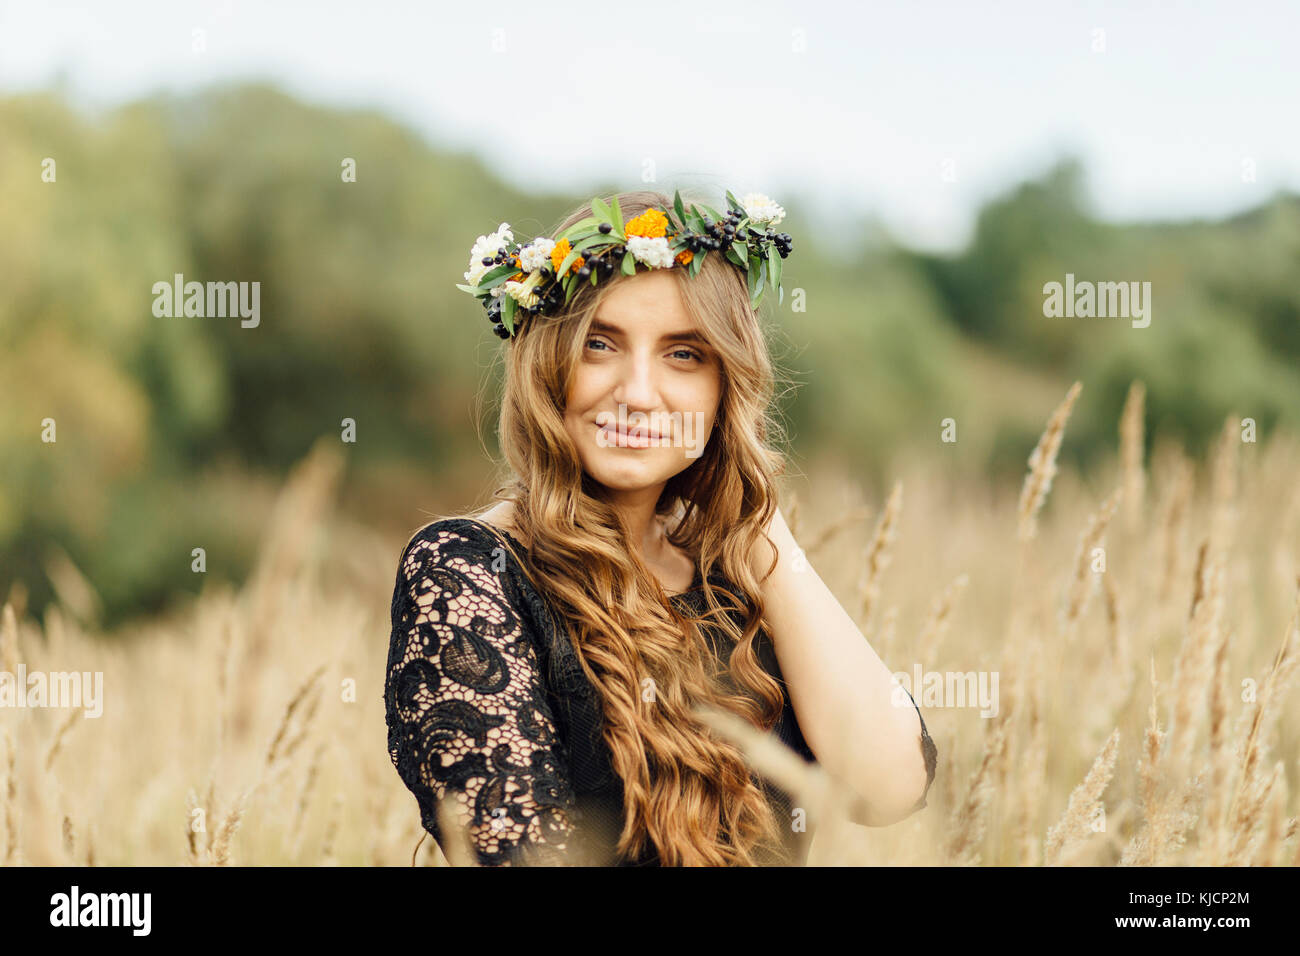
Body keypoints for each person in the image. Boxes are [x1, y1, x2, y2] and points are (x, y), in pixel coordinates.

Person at [384, 188, 937, 866]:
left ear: (723, 388)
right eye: (600, 345)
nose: (639, 391)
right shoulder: (469, 572)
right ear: (548, 366)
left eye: (684, 354)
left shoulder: (738, 576)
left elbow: (888, 787)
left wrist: (757, 522)